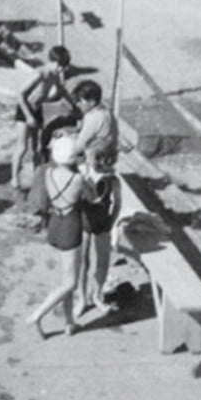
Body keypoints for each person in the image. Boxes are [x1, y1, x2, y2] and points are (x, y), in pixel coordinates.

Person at [65, 79, 121, 317]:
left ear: (89, 100)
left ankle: (82, 297)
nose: (79, 105)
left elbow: (77, 147)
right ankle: (96, 295)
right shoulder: (108, 115)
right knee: (102, 253)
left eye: (80, 101)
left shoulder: (93, 118)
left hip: (91, 183)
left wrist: (71, 139)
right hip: (104, 186)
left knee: (85, 252)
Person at [28, 133, 89, 339]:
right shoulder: (78, 179)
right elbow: (93, 197)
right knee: (70, 283)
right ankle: (38, 314)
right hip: (71, 227)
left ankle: (69, 322)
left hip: (55, 223)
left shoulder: (48, 173)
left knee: (66, 277)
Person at [15, 44, 77, 194]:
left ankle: (38, 177)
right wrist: (28, 117)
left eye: (64, 67)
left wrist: (74, 106)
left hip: (37, 110)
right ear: (52, 61)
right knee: (22, 147)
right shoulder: (40, 74)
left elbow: (62, 92)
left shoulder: (54, 75)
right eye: (60, 66)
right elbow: (20, 95)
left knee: (37, 148)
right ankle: (14, 179)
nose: (61, 70)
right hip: (25, 110)